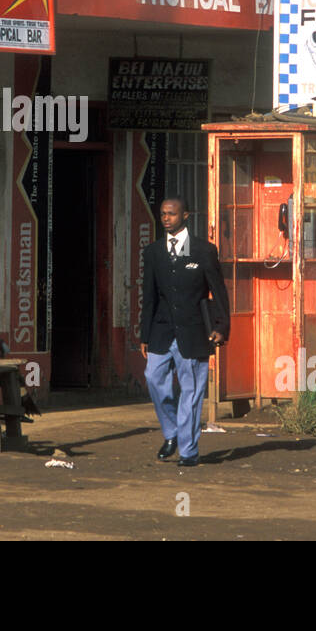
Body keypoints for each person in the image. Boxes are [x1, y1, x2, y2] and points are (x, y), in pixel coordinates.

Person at [140, 197, 230, 467]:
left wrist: (221, 326)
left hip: (194, 333)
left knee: (191, 393)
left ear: (186, 215)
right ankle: (172, 433)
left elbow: (220, 292)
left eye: (172, 214)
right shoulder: (153, 252)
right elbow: (149, 297)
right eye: (163, 214)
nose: (166, 218)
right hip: (161, 331)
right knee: (153, 378)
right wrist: (144, 335)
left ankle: (188, 451)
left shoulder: (204, 250)